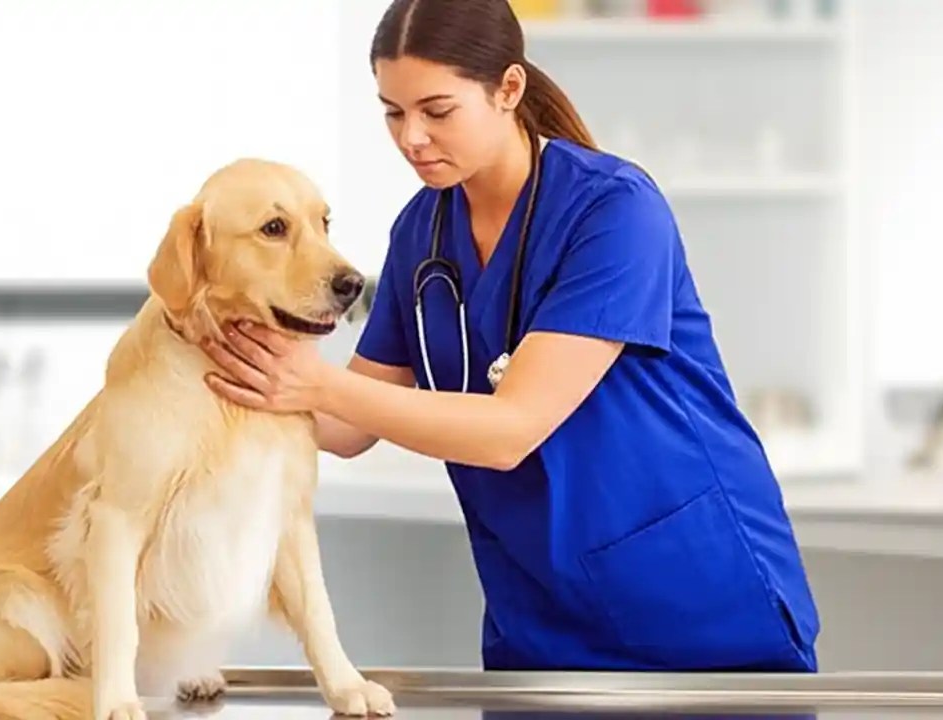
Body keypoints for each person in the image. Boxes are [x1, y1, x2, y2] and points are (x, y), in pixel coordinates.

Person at [200, 0, 821, 673]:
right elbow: (348, 424)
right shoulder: (422, 233)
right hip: (541, 617)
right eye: (392, 111)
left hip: (695, 599)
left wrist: (316, 383)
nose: (411, 137)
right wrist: (220, 361)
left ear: (509, 89)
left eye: (436, 111)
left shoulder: (614, 211)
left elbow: (511, 428)